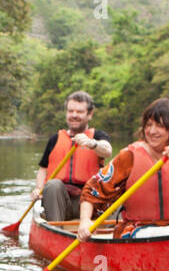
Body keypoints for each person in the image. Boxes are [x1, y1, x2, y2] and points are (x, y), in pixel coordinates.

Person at [77, 98, 169, 240]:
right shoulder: (130, 155)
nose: (152, 131)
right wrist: (85, 222)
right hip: (141, 230)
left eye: (160, 126)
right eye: (149, 125)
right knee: (167, 233)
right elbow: (92, 190)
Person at [32, 91, 112, 221]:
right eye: (70, 111)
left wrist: (91, 143)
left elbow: (107, 150)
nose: (74, 115)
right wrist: (38, 189)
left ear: (89, 114)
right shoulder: (55, 139)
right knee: (53, 185)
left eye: (79, 112)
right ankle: (56, 230)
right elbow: (43, 169)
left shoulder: (98, 136)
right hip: (59, 204)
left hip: (89, 203)